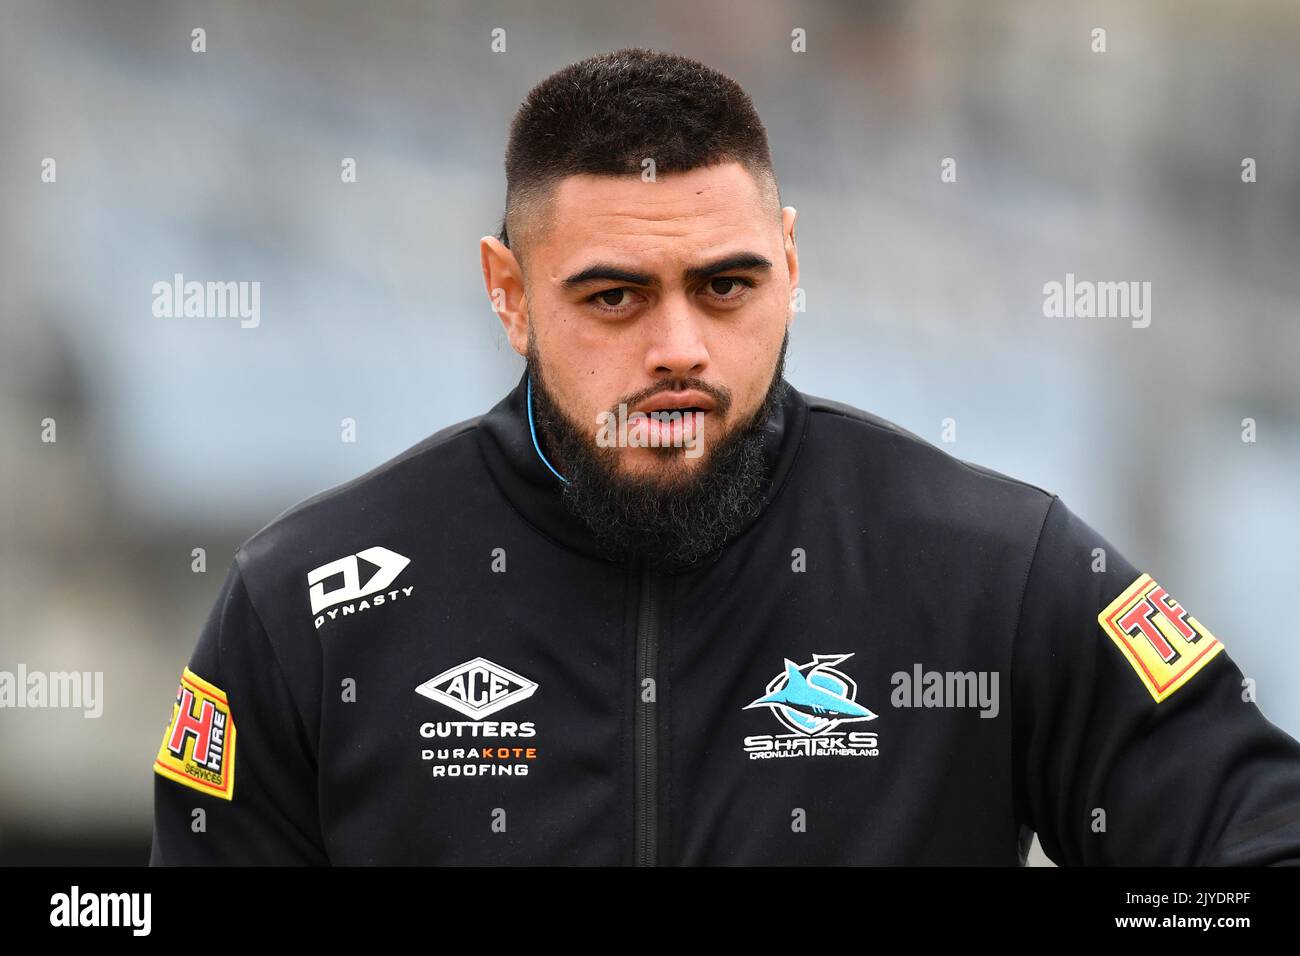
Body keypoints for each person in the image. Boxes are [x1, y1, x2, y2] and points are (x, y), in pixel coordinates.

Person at [150, 47, 1300, 866]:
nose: (678, 348)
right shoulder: (307, 601)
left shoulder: (989, 565)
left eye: (727, 284)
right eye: (613, 296)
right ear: (508, 293)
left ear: (790, 263)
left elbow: (1251, 829)